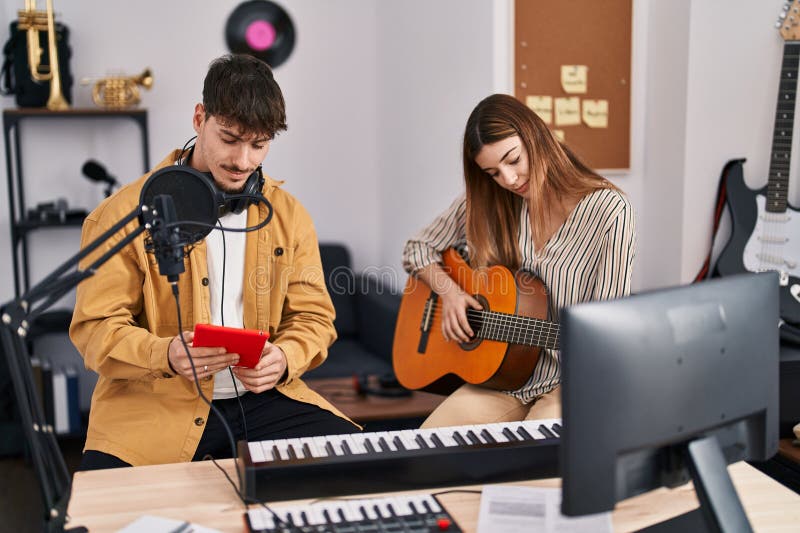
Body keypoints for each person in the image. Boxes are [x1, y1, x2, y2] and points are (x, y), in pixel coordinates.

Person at [70, 54, 358, 470]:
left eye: (258, 145)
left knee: (362, 465)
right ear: (199, 118)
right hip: (153, 408)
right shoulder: (121, 214)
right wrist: (164, 353)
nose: (243, 161)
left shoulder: (290, 215)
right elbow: (94, 330)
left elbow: (314, 318)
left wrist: (286, 358)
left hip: (262, 403)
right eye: (229, 138)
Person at [402, 93, 636, 428]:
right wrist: (451, 294)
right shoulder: (490, 200)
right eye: (493, 172)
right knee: (424, 457)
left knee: (533, 473)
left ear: (535, 137)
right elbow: (417, 248)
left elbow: (609, 324)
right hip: (501, 381)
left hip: (567, 384)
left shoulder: (609, 210)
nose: (509, 180)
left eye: (513, 160)